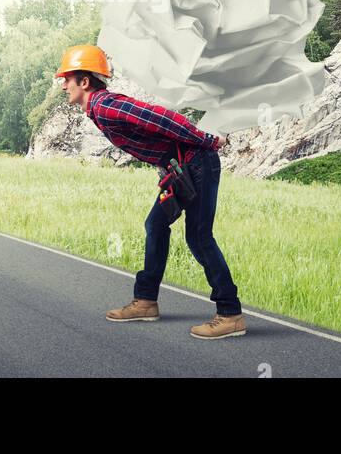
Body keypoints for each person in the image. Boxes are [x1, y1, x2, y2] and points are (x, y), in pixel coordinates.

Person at [54, 44, 245, 340]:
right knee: (155, 225)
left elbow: (161, 118)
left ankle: (230, 314)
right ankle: (145, 302)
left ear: (85, 81)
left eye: (67, 79)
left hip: (197, 162)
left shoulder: (105, 106)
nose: (63, 85)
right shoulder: (98, 109)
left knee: (199, 237)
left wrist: (207, 139)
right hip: (180, 169)